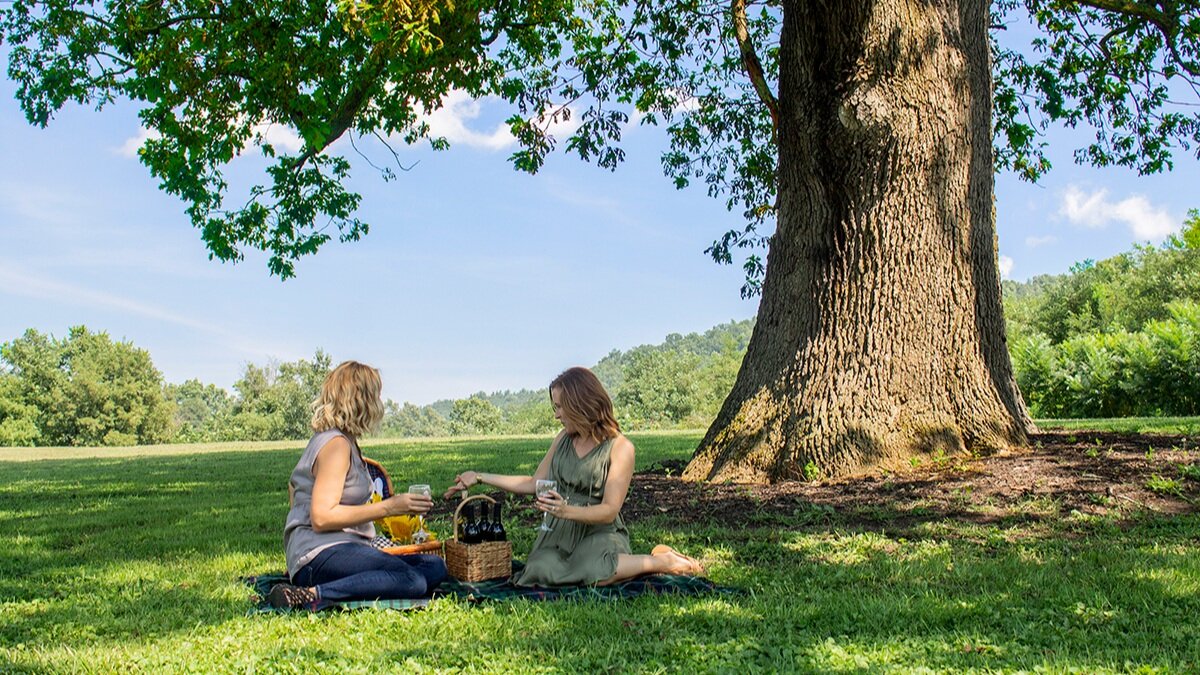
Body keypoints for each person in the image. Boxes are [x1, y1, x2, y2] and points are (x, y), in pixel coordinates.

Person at [445, 366, 705, 586]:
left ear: (579, 404)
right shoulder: (562, 439)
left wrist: (564, 510)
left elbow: (609, 511)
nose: (556, 414)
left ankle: (663, 561)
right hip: (561, 532)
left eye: (560, 407)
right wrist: (479, 476)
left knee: (593, 569)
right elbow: (533, 483)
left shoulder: (620, 448)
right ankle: (612, 565)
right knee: (538, 569)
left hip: (599, 532)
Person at [269, 361, 447, 609]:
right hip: (319, 554)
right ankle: (312, 594)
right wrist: (389, 507)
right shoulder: (336, 446)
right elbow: (321, 517)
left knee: (434, 566)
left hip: (346, 548)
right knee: (412, 580)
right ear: (362, 400)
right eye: (376, 395)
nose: (380, 403)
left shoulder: (345, 442)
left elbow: (294, 485)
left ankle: (348, 584)